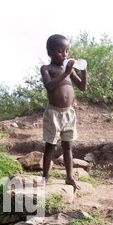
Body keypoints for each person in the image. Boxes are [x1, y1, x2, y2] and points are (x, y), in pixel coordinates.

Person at [40, 34, 87, 191]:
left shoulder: (68, 69)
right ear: (50, 53)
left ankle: (70, 177)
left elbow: (82, 87)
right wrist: (66, 73)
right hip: (53, 112)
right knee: (50, 145)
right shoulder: (47, 69)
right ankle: (45, 177)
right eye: (60, 51)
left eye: (67, 51)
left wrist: (84, 72)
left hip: (68, 113)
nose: (65, 55)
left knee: (68, 146)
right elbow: (49, 86)